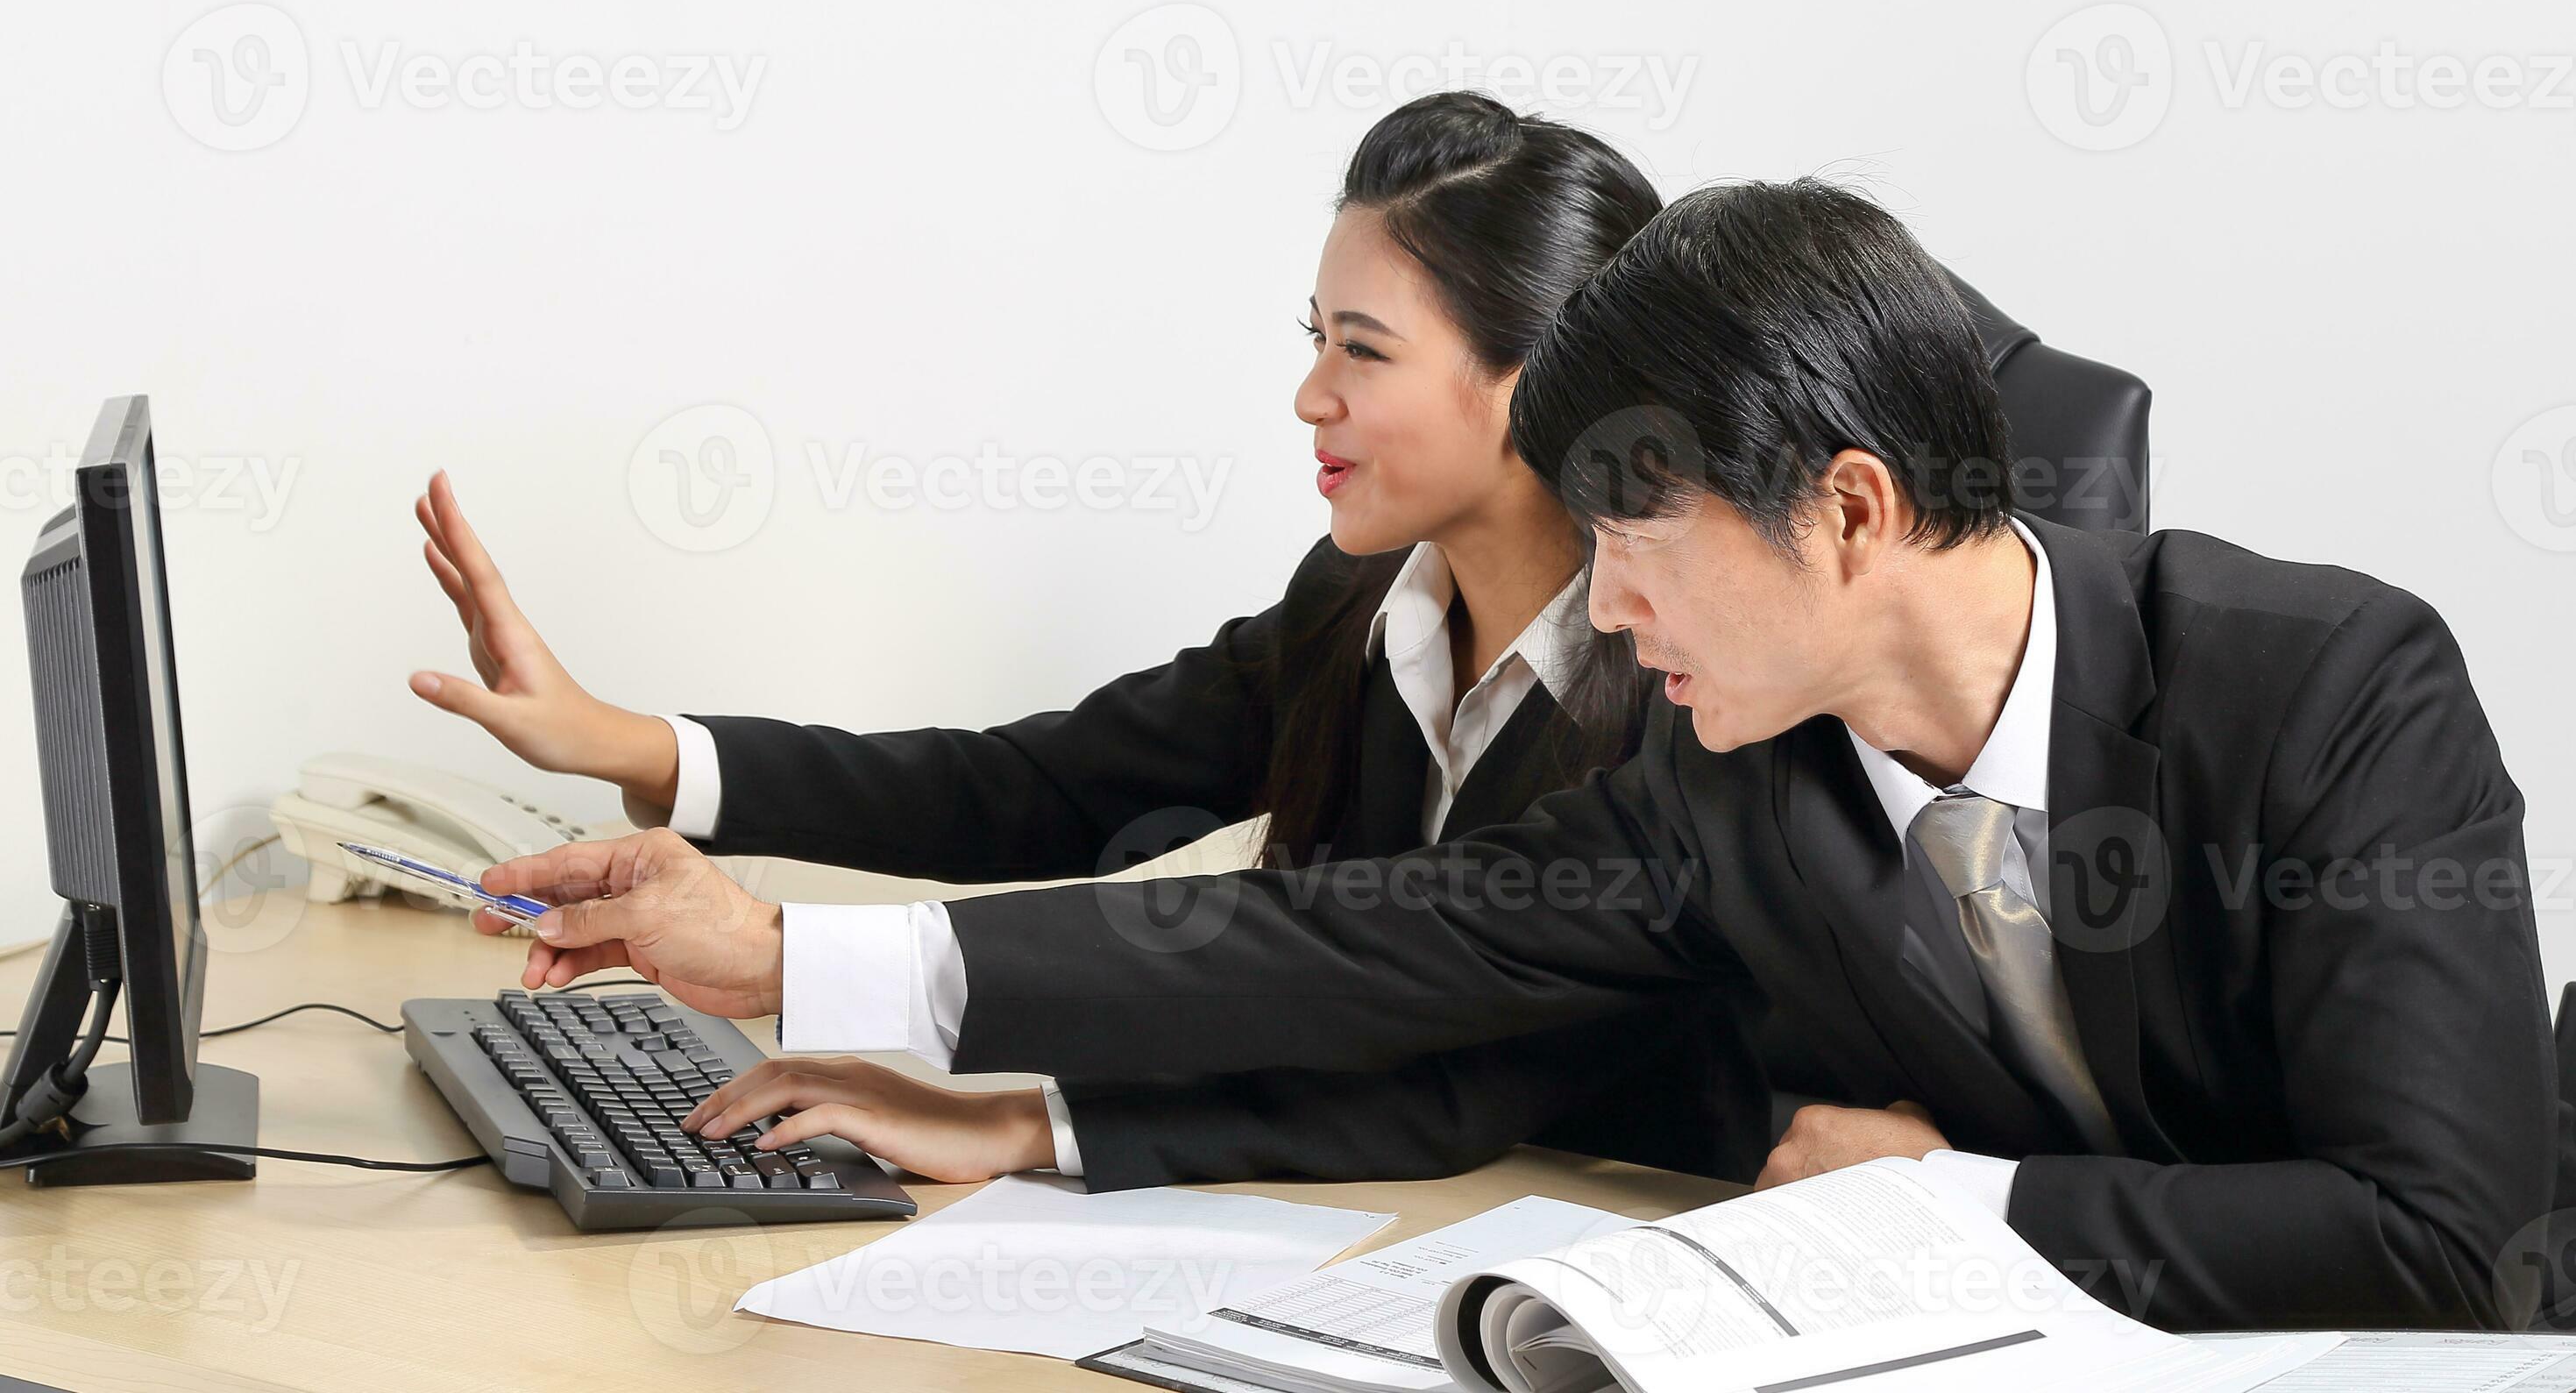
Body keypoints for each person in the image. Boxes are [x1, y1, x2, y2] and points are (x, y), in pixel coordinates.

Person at [479, 176, 2559, 1333]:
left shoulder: (2331, 686)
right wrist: (815, 973)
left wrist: (1974, 1203)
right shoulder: (1743, 773)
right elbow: (1367, 942)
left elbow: (2439, 1230)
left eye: (1640, 541)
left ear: (1844, 510)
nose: (1611, 604)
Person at [409, 91, 1770, 1190]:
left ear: (1540, 384)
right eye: (1316, 340)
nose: (1310, 396)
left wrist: (1020, 1121)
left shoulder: (1688, 690)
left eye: (1364, 350)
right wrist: (633, 746)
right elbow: (1047, 785)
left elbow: (1445, 1070)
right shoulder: (1359, 606)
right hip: (1373, 1231)